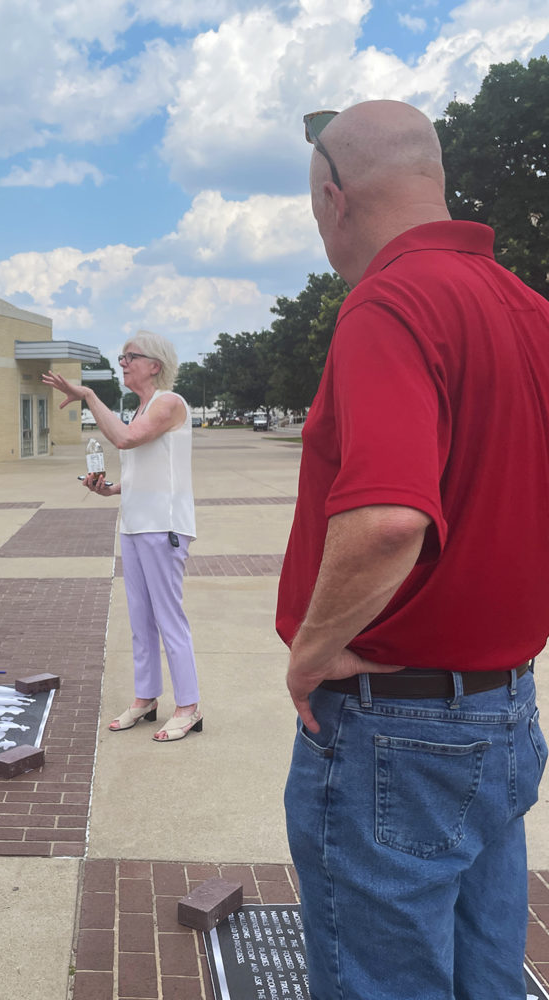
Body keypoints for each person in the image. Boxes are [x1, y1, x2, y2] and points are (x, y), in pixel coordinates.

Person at [279, 100, 549, 1000]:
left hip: (394, 722)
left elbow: (391, 518)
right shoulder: (529, 311)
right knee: (487, 974)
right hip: (505, 711)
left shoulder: (388, 303)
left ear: (332, 196)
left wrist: (311, 654)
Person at [42, 331, 201, 742]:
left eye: (131, 356)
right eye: (122, 356)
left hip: (163, 527)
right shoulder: (141, 408)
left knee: (168, 618)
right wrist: (110, 488)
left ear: (155, 366)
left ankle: (188, 706)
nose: (123, 362)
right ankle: (146, 697)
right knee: (140, 619)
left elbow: (126, 439)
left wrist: (88, 395)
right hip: (134, 525)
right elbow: (142, 466)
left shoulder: (169, 402)